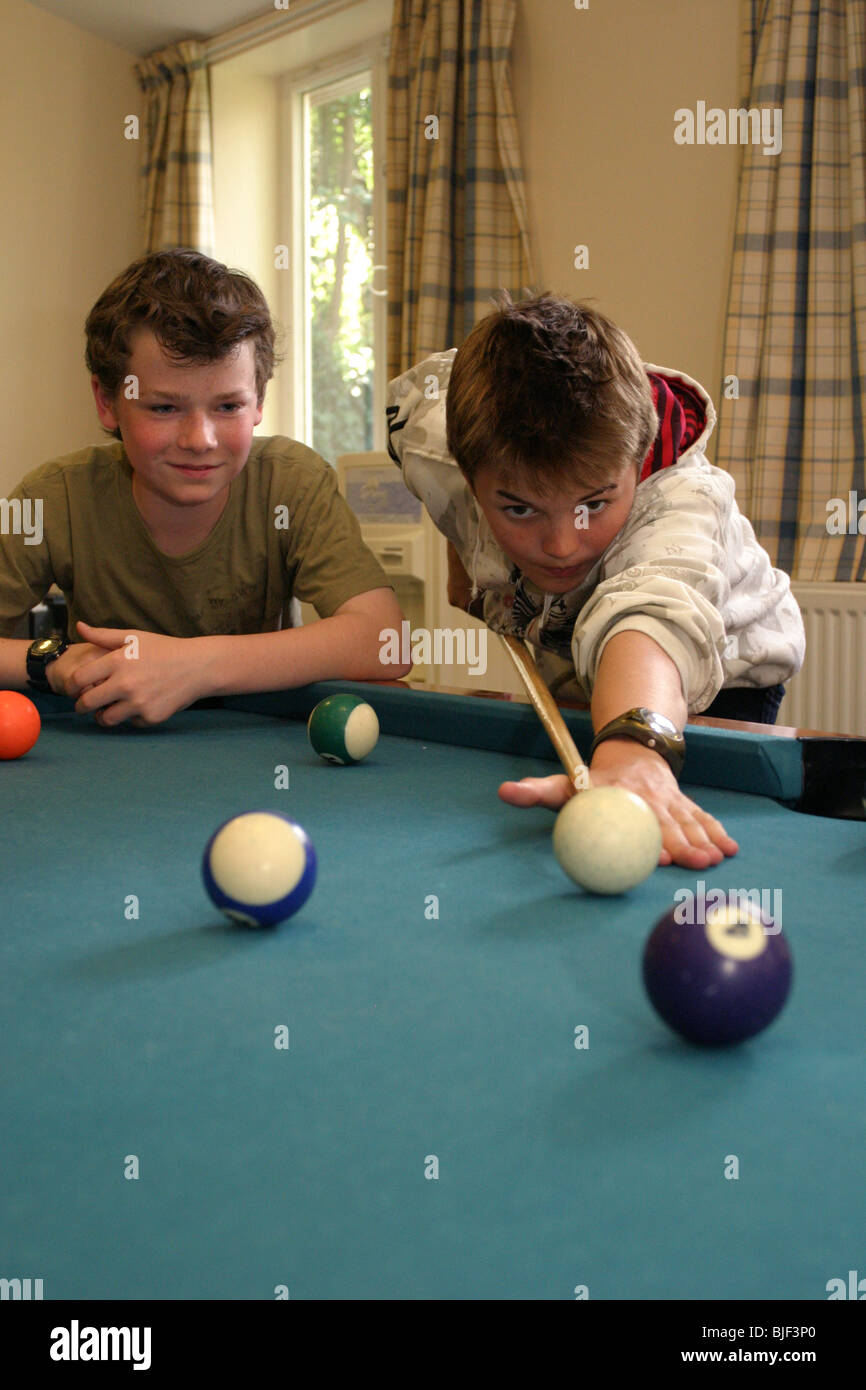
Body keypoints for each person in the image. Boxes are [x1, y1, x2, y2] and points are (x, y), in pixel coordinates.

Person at [386, 293, 806, 870]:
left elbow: (653, 615)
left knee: (656, 820)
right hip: (574, 646)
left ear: (634, 462)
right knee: (593, 776)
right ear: (465, 470)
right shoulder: (425, 434)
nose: (562, 545)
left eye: (594, 503)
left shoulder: (682, 501)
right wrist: (465, 554)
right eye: (519, 510)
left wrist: (638, 751)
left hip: (720, 671)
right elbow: (416, 425)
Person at [0, 250, 409, 726]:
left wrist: (193, 667)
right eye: (163, 409)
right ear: (107, 402)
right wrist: (51, 660)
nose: (200, 440)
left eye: (228, 406)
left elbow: (385, 640)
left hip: (257, 754)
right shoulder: (54, 497)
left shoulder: (291, 482)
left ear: (258, 401)